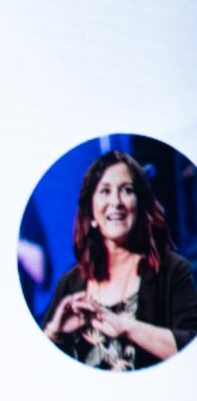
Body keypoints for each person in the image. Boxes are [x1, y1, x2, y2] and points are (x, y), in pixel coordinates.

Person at [42, 149, 197, 370]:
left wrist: (125, 327)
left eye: (126, 190)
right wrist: (53, 332)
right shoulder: (71, 282)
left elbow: (192, 349)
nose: (116, 201)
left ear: (141, 205)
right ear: (91, 214)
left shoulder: (173, 271)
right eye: (105, 191)